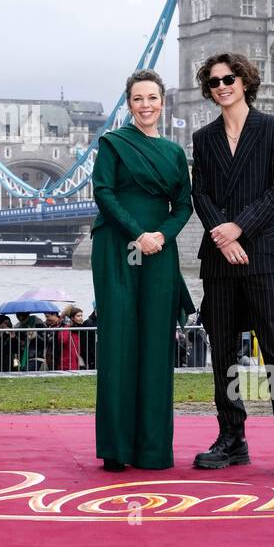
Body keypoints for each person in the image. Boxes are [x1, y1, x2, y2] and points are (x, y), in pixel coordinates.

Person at [189, 53, 274, 480]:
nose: (221, 86)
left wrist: (240, 228)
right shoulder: (203, 139)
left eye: (229, 78)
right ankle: (231, 438)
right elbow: (199, 193)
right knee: (223, 352)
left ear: (245, 82)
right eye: (214, 81)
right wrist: (222, 235)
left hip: (265, 252)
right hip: (220, 256)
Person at [91, 68, 195, 471]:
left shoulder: (173, 153)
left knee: (155, 344)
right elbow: (103, 192)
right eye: (138, 98)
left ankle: (153, 450)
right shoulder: (113, 143)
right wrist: (138, 234)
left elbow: (184, 204)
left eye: (152, 98)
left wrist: (162, 237)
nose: (146, 104)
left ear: (162, 103)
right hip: (118, 246)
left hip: (160, 250)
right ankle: (116, 449)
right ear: (129, 104)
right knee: (118, 341)